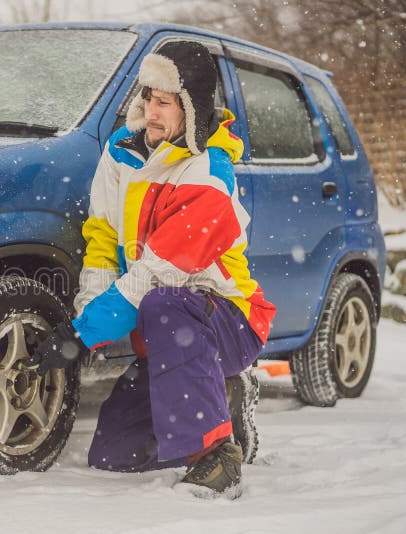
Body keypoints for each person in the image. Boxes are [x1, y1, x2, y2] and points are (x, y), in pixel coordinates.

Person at [28, 41, 276, 499]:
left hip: (225, 317)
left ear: (193, 109)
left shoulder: (208, 174)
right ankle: (219, 401)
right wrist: (88, 309)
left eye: (165, 102)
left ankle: (217, 454)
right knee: (115, 455)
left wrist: (82, 335)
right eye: (147, 98)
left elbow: (159, 274)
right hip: (166, 326)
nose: (151, 110)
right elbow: (102, 241)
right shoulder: (121, 153)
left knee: (165, 303)